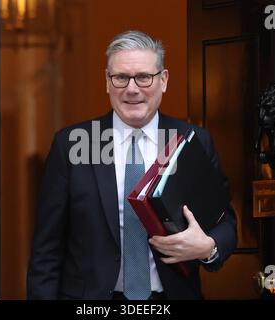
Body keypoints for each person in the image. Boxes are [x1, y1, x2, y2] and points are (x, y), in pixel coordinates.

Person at [27, 30, 237, 300]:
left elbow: (226, 221)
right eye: (121, 77)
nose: (132, 88)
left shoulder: (192, 140)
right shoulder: (71, 145)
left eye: (144, 77)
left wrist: (208, 247)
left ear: (163, 80)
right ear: (107, 81)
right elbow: (47, 249)